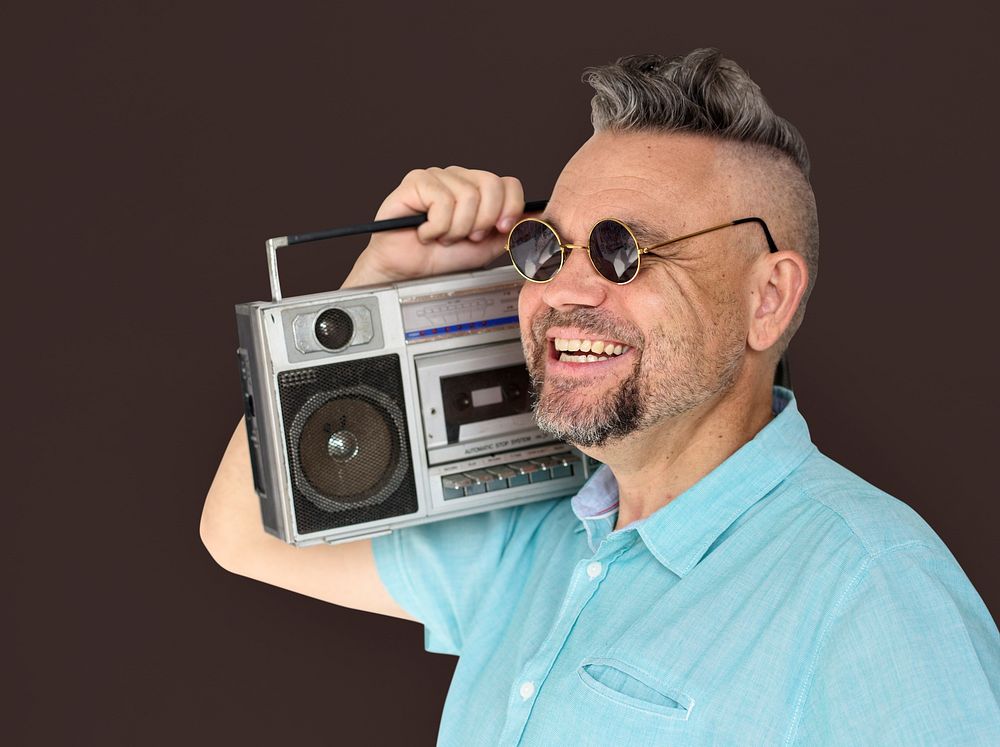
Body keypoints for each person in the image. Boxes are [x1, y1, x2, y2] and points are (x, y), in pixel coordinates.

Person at [200, 49, 1000, 745]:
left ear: (768, 299)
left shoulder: (874, 590)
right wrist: (381, 282)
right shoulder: (532, 538)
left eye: (625, 250)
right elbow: (248, 529)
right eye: (544, 247)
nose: (562, 289)